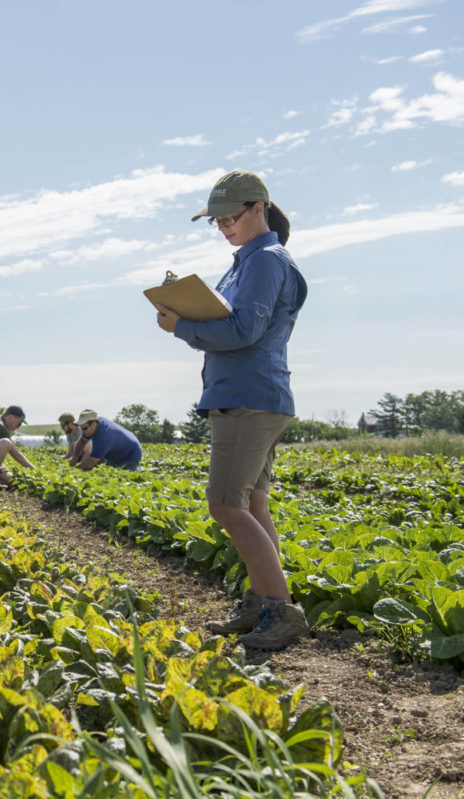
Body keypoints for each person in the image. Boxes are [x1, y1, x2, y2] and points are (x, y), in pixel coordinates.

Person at [154, 169, 309, 651]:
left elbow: (244, 331)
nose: (223, 227)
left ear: (259, 209)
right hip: (254, 394)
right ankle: (262, 602)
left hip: (248, 396)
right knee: (254, 504)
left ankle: (282, 611)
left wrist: (182, 326)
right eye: (216, 221)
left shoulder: (264, 261)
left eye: (229, 218)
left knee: (225, 505)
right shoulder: (248, 261)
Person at [69, 409, 142, 471]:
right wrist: (75, 456)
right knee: (110, 474)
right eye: (81, 428)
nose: (83, 431)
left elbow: (92, 461)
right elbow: (82, 440)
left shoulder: (104, 437)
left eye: (84, 428)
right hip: (115, 454)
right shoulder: (94, 424)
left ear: (94, 424)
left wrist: (75, 470)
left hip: (131, 453)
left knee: (122, 477)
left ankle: (143, 472)